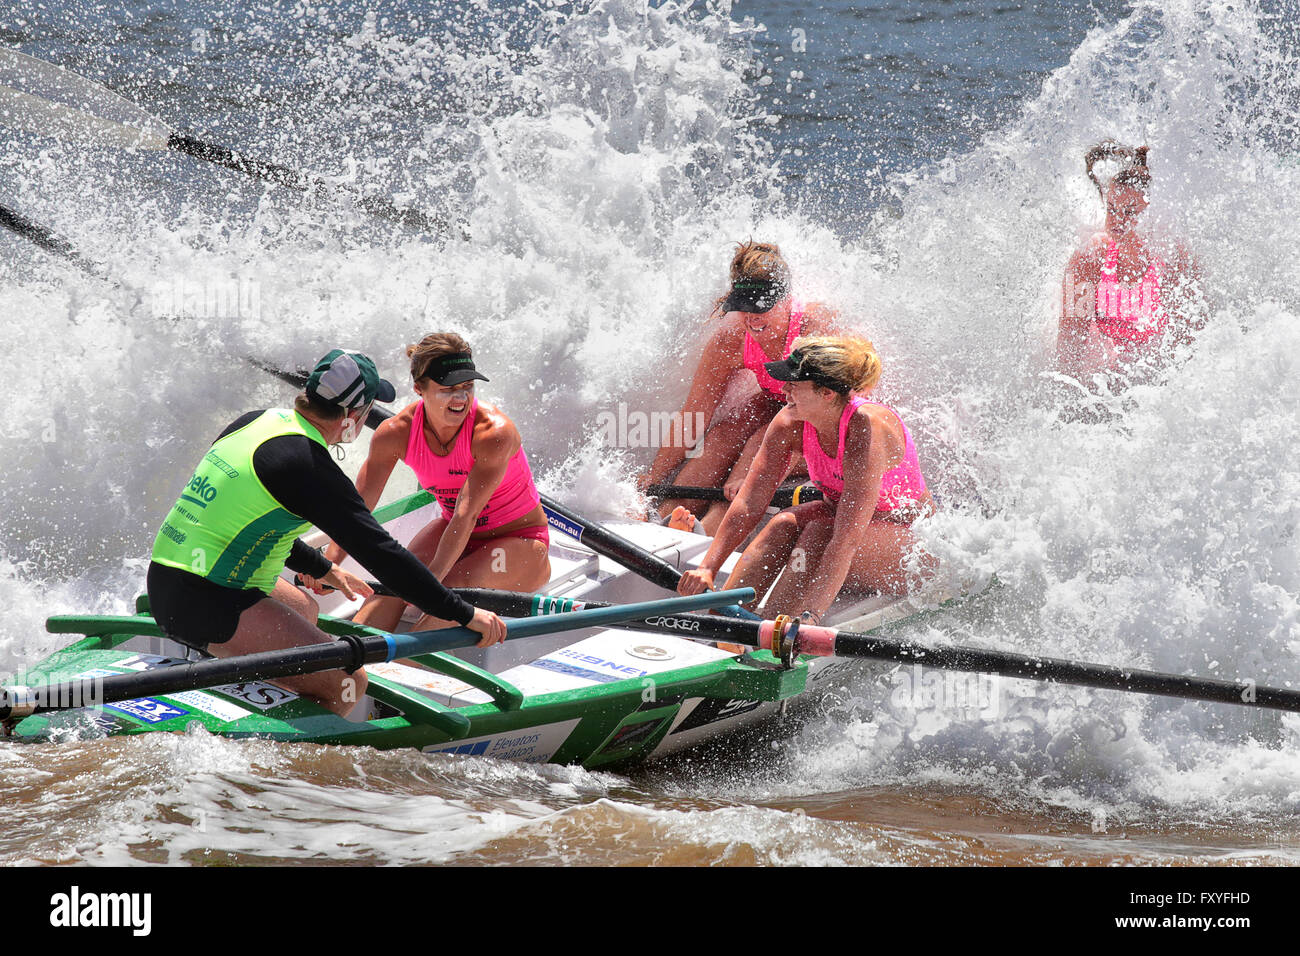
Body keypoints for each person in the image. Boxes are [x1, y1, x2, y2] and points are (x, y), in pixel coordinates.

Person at [147, 348, 508, 717]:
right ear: (353, 417)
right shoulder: (306, 465)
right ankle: (278, 764)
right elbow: (381, 552)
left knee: (304, 607)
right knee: (348, 680)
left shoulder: (255, 421)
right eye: (368, 410)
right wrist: (464, 613)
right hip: (205, 599)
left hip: (168, 577)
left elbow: (240, 512)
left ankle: (258, 691)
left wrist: (322, 568)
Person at [678, 335, 934, 622]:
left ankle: (776, 635)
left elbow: (845, 540)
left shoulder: (866, 430)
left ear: (826, 393)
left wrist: (810, 617)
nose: (784, 389)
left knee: (819, 533)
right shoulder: (790, 422)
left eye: (794, 385)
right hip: (848, 527)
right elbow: (749, 503)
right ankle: (723, 624)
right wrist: (708, 568)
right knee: (782, 523)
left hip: (913, 547)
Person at [315, 333, 551, 632]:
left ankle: (407, 665)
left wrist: (430, 588)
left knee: (450, 589)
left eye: (467, 387)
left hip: (521, 543)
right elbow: (359, 506)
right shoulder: (394, 434)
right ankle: (347, 668)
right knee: (397, 576)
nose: (461, 398)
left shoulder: (493, 433)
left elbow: (466, 515)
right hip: (454, 531)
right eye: (449, 389)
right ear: (419, 389)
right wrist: (330, 563)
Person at [639, 241, 841, 535]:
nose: (752, 317)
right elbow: (694, 415)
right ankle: (664, 517)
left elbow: (829, 414)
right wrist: (653, 476)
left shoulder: (813, 332)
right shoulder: (731, 341)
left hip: (830, 418)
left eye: (761, 306)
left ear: (786, 299)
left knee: (758, 447)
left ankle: (708, 533)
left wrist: (753, 474)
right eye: (744, 306)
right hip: (781, 403)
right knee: (722, 435)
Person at [1057, 142, 1204, 382]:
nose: (1117, 221)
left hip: (1154, 378)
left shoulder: (1173, 262)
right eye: (1112, 209)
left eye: (1129, 213)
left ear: (1150, 212)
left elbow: (1192, 355)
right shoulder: (1089, 260)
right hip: (1102, 374)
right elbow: (1067, 357)